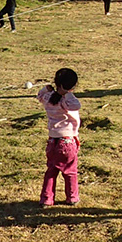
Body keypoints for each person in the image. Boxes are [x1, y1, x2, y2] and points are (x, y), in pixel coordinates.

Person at [37, 68, 81, 206]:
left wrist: (47, 89)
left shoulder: (48, 98)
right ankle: (72, 197)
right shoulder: (67, 101)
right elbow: (76, 106)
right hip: (67, 141)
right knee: (70, 171)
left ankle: (47, 198)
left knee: (51, 170)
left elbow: (39, 96)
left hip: (52, 141)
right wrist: (67, 93)